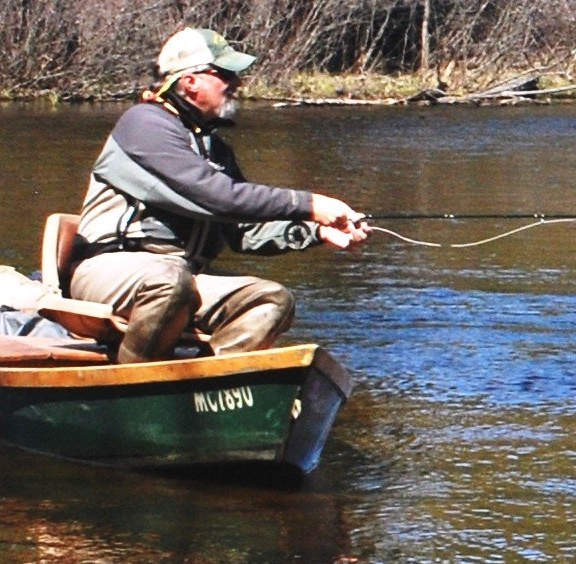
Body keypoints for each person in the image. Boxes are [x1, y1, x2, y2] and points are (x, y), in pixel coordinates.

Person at [67, 27, 368, 361]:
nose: (236, 84)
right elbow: (215, 196)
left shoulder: (214, 149)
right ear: (190, 81)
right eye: (225, 74)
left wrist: (317, 231)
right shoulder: (143, 124)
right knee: (170, 281)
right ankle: (132, 385)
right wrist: (308, 204)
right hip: (108, 271)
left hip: (181, 279)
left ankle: (211, 382)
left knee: (272, 299)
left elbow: (243, 231)